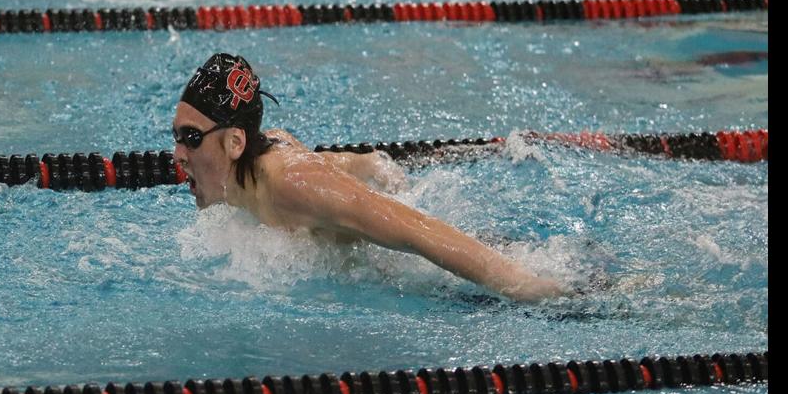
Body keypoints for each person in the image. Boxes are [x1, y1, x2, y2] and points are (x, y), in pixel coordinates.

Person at [170, 52, 572, 302]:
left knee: (576, 291)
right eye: (176, 138)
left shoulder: (289, 185)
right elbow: (319, 160)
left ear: (236, 143)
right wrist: (371, 165)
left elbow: (412, 227)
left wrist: (522, 284)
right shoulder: (265, 157)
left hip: (441, 270)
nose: (178, 155)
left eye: (190, 139)